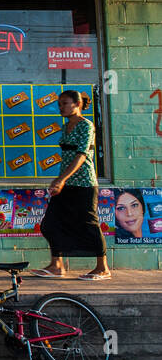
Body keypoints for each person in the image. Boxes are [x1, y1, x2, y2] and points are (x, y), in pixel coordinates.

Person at [33, 90, 110, 280]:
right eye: (59, 104)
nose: (61, 108)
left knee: (89, 224)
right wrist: (61, 180)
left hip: (84, 183)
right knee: (50, 223)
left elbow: (81, 156)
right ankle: (56, 266)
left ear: (77, 104)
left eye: (65, 103)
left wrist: (61, 179)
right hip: (65, 184)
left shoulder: (86, 126)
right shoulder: (65, 126)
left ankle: (103, 268)